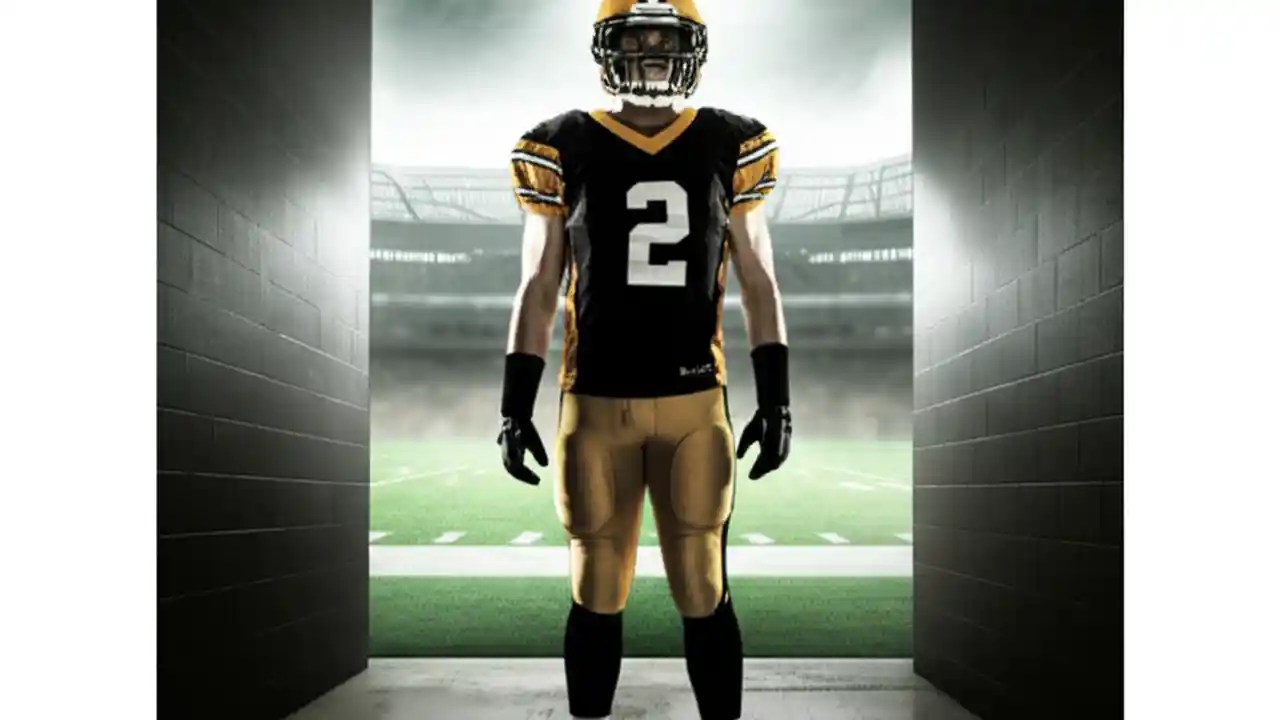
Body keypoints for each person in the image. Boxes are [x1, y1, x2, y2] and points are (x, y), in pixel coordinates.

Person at [497, 2, 792, 718]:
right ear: (609, 47)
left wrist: (776, 394)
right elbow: (539, 284)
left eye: (667, 37)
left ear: (693, 48)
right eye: (638, 36)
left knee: (702, 581)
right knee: (597, 581)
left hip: (695, 400)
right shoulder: (561, 144)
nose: (654, 49)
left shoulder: (731, 140)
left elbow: (757, 277)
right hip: (595, 401)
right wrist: (515, 402)